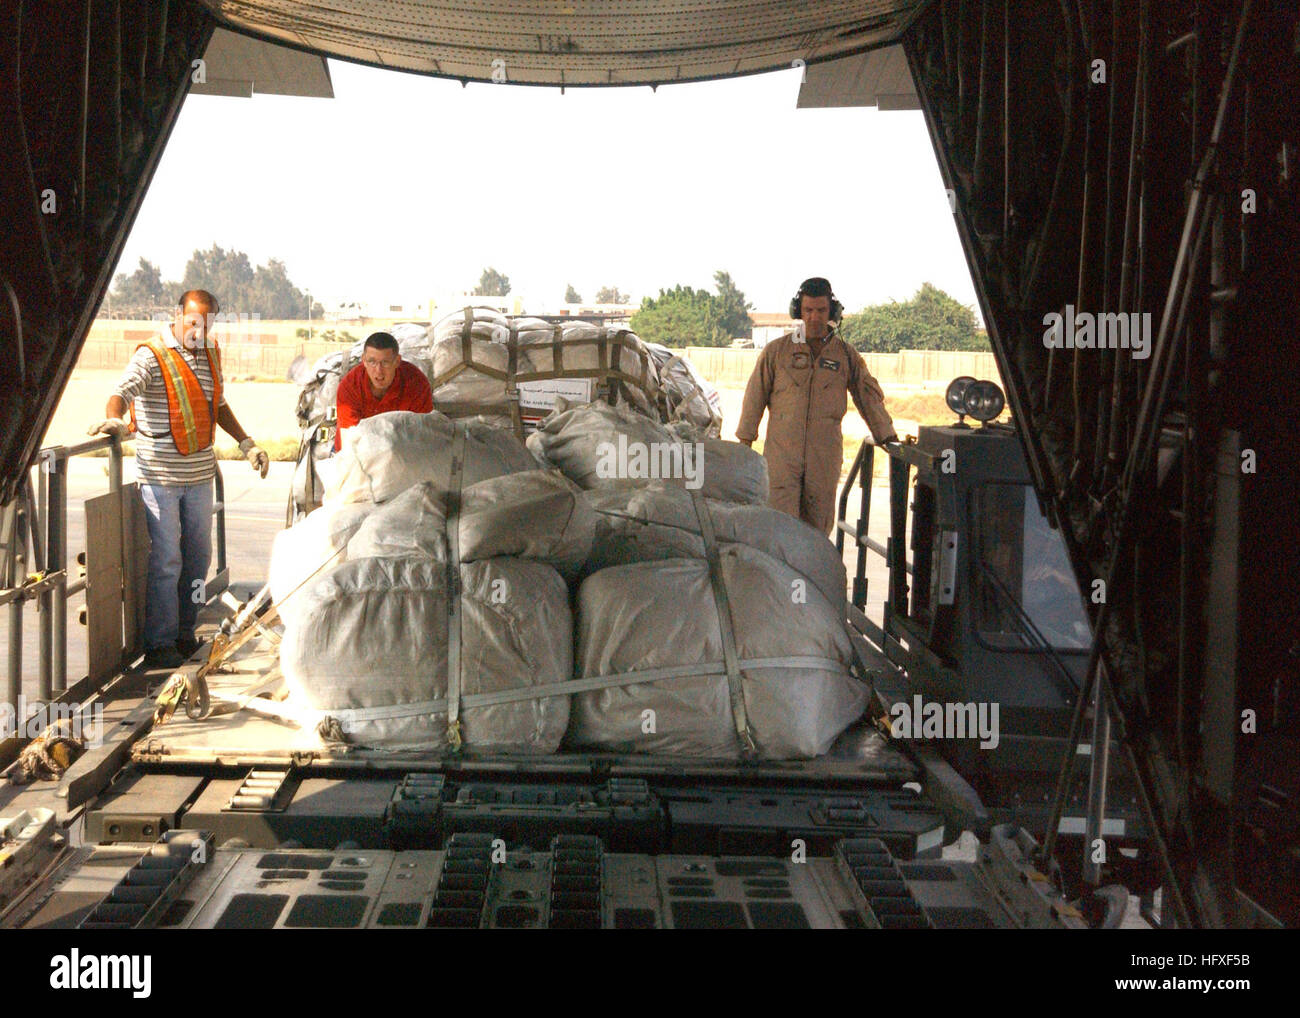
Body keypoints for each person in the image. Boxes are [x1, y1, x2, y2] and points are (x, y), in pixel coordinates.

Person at [88, 290, 269, 670]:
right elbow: (121, 392)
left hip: (200, 476)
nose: (198, 330)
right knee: (168, 560)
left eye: (206, 323)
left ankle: (186, 632)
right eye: (192, 321)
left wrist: (246, 443)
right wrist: (116, 419)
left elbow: (217, 405)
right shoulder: (151, 355)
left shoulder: (210, 353)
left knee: (197, 559)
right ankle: (160, 642)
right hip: (160, 479)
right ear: (178, 315)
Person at [736, 277, 898, 535]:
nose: (814, 317)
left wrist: (888, 437)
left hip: (824, 459)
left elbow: (868, 397)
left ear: (832, 312)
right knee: (778, 529)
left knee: (817, 533)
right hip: (781, 460)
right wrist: (744, 444)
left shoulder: (845, 356)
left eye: (821, 310)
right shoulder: (777, 352)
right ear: (798, 311)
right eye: (808, 310)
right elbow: (754, 398)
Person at [333, 331, 433, 451]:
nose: (378, 371)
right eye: (372, 362)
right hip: (359, 453)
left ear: (397, 361)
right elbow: (348, 441)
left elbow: (422, 436)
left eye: (385, 362)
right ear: (364, 361)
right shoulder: (350, 386)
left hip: (402, 452)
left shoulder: (417, 384)